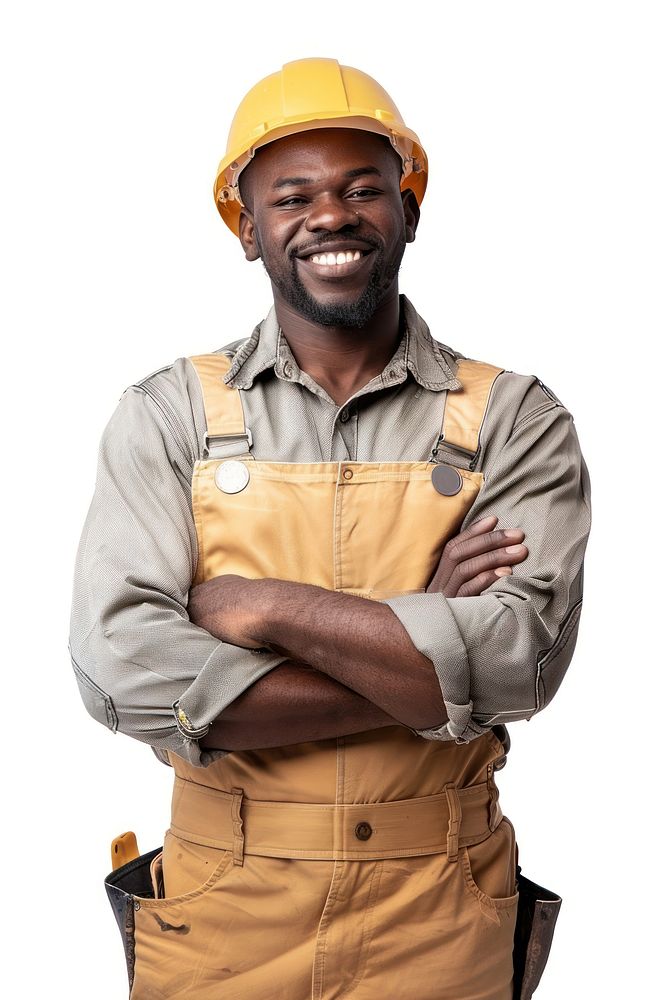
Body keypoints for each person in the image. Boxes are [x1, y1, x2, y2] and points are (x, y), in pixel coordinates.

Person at [69, 57, 591, 1000]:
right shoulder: (167, 415)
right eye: (291, 196)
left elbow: (522, 662)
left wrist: (262, 607)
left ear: (408, 208)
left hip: (438, 907)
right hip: (223, 905)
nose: (331, 215)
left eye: (362, 188)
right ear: (248, 229)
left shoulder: (514, 418)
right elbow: (121, 675)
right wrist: (426, 643)